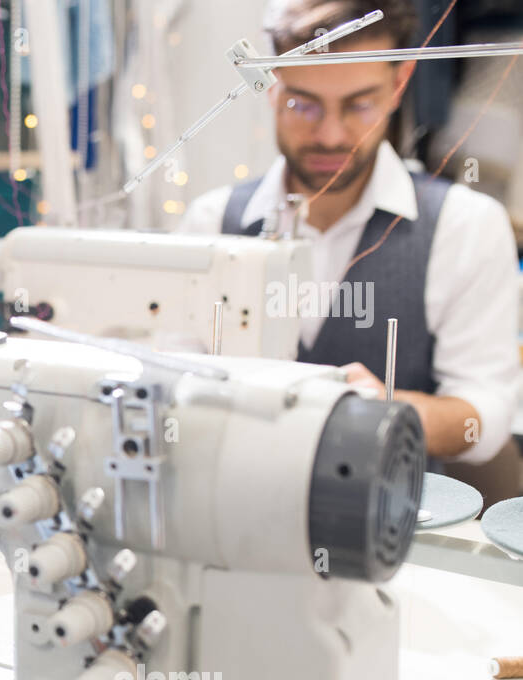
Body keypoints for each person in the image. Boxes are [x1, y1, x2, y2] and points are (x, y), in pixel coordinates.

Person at [180, 0, 521, 503]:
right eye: (303, 103)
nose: (330, 134)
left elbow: (485, 417)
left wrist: (379, 409)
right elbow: (169, 383)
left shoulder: (465, 227)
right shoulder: (209, 224)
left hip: (397, 534)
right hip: (236, 515)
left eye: (358, 104)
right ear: (269, 85)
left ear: (400, 83)